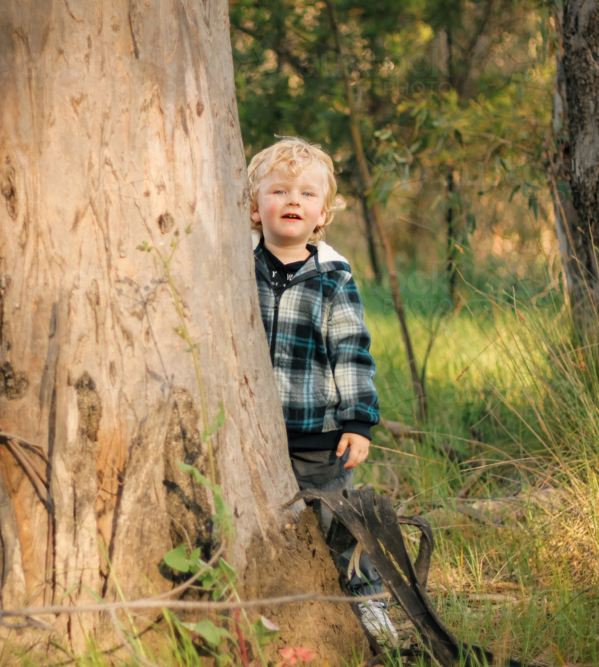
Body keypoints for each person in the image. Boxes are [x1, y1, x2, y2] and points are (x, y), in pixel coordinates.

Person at [247, 136, 397, 647]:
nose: (293, 200)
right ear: (253, 207)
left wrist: (359, 421)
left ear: (322, 215)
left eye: (307, 194)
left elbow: (352, 350)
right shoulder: (237, 271)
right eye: (280, 190)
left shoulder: (332, 278)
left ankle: (373, 616)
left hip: (321, 439)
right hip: (253, 437)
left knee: (342, 531)